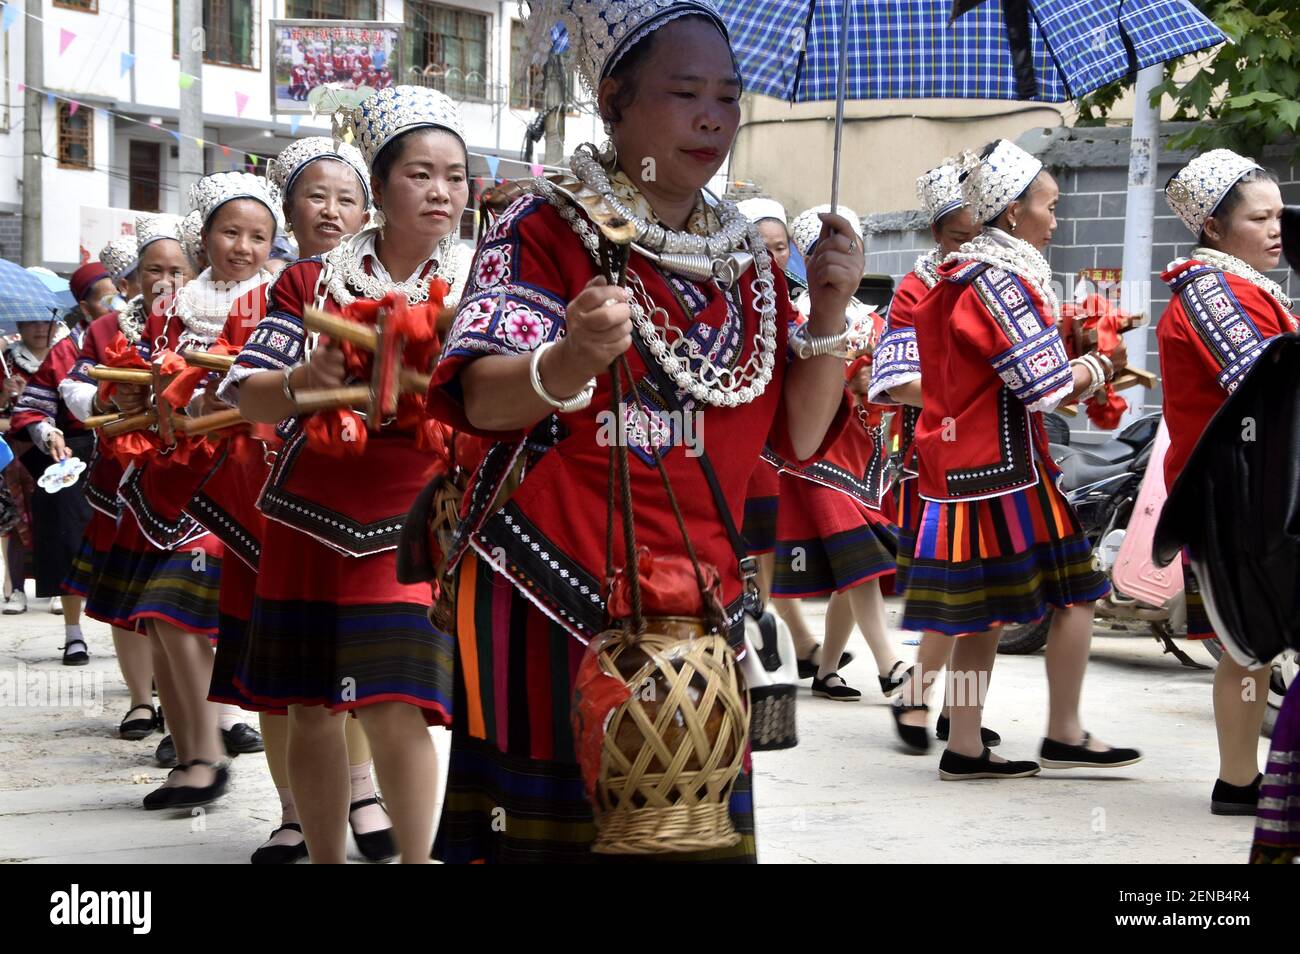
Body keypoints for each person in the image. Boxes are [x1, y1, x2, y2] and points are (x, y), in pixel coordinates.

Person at [426, 0, 861, 862]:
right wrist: (571, 357)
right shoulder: (542, 226)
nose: (712, 117)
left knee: (688, 832)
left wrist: (835, 305)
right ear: (615, 100)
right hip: (550, 595)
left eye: (730, 97)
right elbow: (480, 397)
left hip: (695, 618)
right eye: (685, 92)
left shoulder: (750, 262)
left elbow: (801, 439)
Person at [222, 87, 473, 864]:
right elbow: (246, 391)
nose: (441, 192)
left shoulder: (483, 281)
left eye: (456, 177)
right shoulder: (310, 283)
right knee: (312, 708)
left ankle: (420, 859)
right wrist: (307, 376)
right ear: (382, 183)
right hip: (312, 514)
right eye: (421, 174)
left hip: (423, 512)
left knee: (399, 699)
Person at [904, 139, 1142, 779]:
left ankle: (964, 745)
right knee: (1078, 594)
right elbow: (1044, 388)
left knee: (979, 618)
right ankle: (1059, 730)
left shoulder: (962, 275)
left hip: (971, 468)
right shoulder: (1001, 281)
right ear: (1012, 213)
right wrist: (1101, 364)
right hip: (1005, 470)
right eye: (1050, 206)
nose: (1057, 219)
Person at [200, 136, 398, 864]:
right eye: (316, 196)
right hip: (266, 492)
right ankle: (293, 811)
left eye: (347, 197)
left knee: (361, 654)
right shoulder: (263, 292)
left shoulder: (388, 280)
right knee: (286, 669)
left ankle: (364, 790)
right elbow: (233, 388)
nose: (332, 210)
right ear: (289, 208)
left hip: (358, 496)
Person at [1157, 148, 1298, 814]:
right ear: (1213, 228)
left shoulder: (1242, 286)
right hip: (1238, 493)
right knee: (1250, 645)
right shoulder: (1213, 294)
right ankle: (1240, 781)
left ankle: (1242, 781)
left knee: (1254, 647)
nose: (1277, 229)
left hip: (1260, 486)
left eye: (1280, 215)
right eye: (1259, 217)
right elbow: (1260, 383)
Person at [869, 160, 1001, 751]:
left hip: (1006, 457)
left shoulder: (1006, 276)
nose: (972, 247)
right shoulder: (916, 290)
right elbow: (899, 383)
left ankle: (962, 720)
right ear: (937, 234)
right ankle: (921, 694)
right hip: (942, 462)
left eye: (983, 233)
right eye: (960, 237)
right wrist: (989, 385)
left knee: (988, 605)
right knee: (956, 597)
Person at [771, 204, 906, 703]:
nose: (848, 252)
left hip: (867, 454)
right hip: (817, 458)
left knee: (854, 566)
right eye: (835, 244)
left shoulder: (870, 315)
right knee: (861, 559)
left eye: (853, 242)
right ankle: (890, 664)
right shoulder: (802, 316)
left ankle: (825, 670)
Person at [60, 233, 170, 734]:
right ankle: (141, 700)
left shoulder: (205, 322)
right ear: (132, 278)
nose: (166, 281)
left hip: (187, 484)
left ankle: (215, 714)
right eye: (153, 270)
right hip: (120, 483)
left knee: (188, 602)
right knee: (131, 595)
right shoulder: (106, 328)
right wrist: (108, 400)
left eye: (177, 269)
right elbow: (74, 385)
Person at [10, 262, 117, 659]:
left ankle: (145, 644)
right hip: (77, 452)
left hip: (132, 454)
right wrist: (48, 432)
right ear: (85, 308)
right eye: (106, 297)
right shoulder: (66, 351)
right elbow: (32, 410)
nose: (117, 304)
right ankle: (74, 632)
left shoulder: (151, 340)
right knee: (71, 540)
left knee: (137, 551)